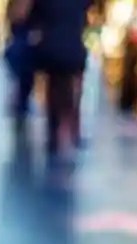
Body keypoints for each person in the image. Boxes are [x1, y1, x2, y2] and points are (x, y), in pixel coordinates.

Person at [24, 0, 93, 155]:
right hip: (73, 47)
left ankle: (54, 134)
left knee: (53, 91)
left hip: (50, 46)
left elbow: (28, 17)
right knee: (72, 91)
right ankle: (72, 131)